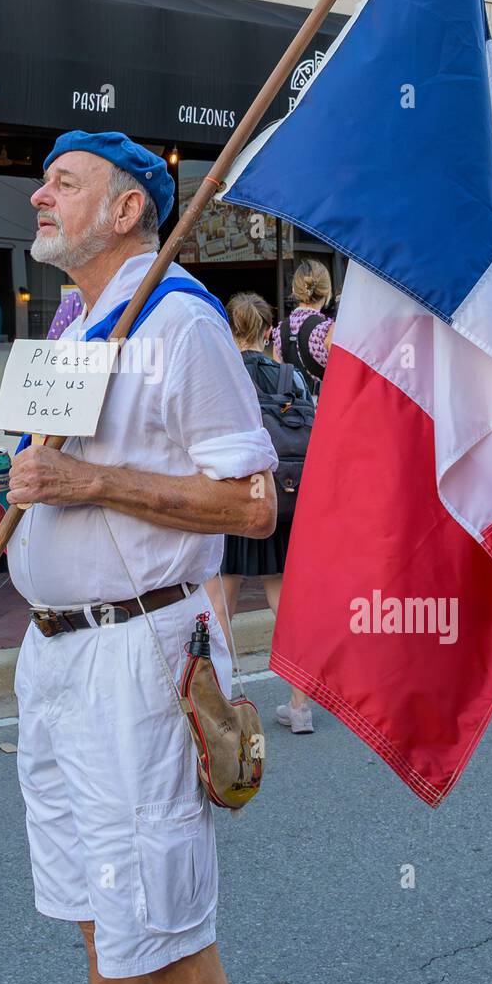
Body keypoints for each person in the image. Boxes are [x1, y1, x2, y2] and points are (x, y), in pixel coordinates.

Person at [0, 130, 277, 984]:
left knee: (163, 940)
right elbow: (44, 479)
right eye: (44, 181)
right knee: (103, 922)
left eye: (63, 183)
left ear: (128, 208)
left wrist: (92, 482)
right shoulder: (72, 326)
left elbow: (252, 504)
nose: (37, 196)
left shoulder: (180, 322)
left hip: (137, 652)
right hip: (56, 654)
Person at [204, 292, 315, 734]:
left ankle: (225, 706)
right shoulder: (292, 377)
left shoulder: (220, 376)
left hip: (232, 498)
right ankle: (300, 706)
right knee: (285, 604)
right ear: (270, 332)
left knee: (220, 604)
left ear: (229, 332)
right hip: (281, 497)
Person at [274, 258, 335, 393]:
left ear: (294, 290)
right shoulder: (327, 330)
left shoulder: (279, 331)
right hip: (324, 404)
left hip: (294, 405)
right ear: (327, 291)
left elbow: (280, 379)